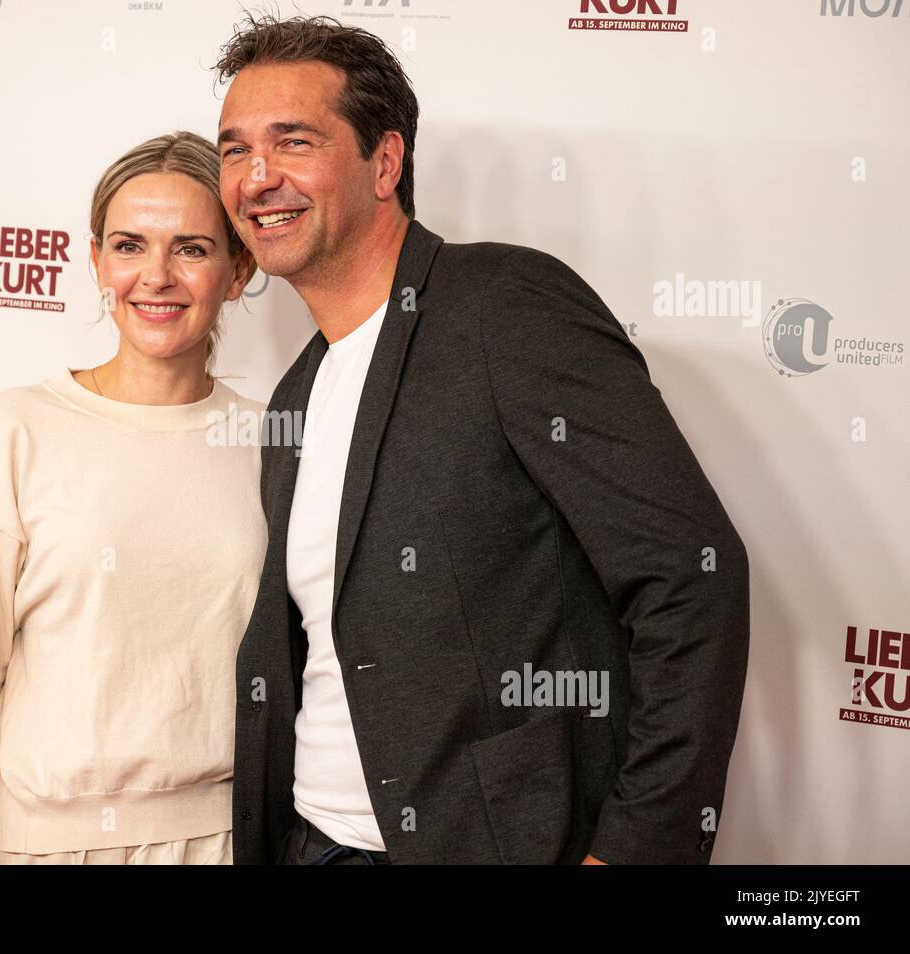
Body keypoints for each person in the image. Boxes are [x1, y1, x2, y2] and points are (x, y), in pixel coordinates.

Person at [214, 14, 751, 865]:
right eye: (235, 151)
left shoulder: (504, 305)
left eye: (293, 142)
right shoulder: (298, 391)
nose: (257, 178)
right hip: (314, 843)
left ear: (384, 162)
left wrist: (637, 849)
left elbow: (692, 578)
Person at [0, 131, 264, 864]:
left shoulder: (272, 440)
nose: (155, 276)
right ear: (96, 260)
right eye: (129, 246)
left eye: (191, 248)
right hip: (49, 850)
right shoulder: (18, 429)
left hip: (231, 841)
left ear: (238, 269)